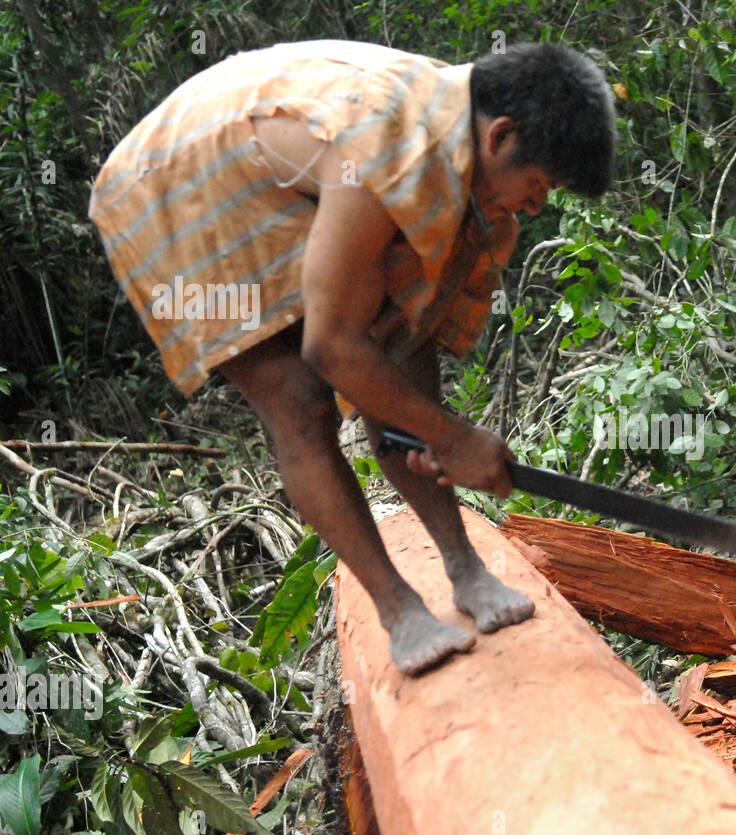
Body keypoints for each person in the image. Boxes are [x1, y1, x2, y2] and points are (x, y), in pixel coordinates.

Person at [88, 39, 617, 675]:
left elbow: (398, 349)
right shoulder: (386, 151)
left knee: (405, 361)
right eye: (538, 186)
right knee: (301, 403)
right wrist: (451, 437)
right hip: (167, 182)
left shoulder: (446, 140)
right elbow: (331, 346)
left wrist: (431, 429)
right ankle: (398, 610)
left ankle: (466, 571)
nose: (536, 206)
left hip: (273, 158)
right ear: (500, 137)